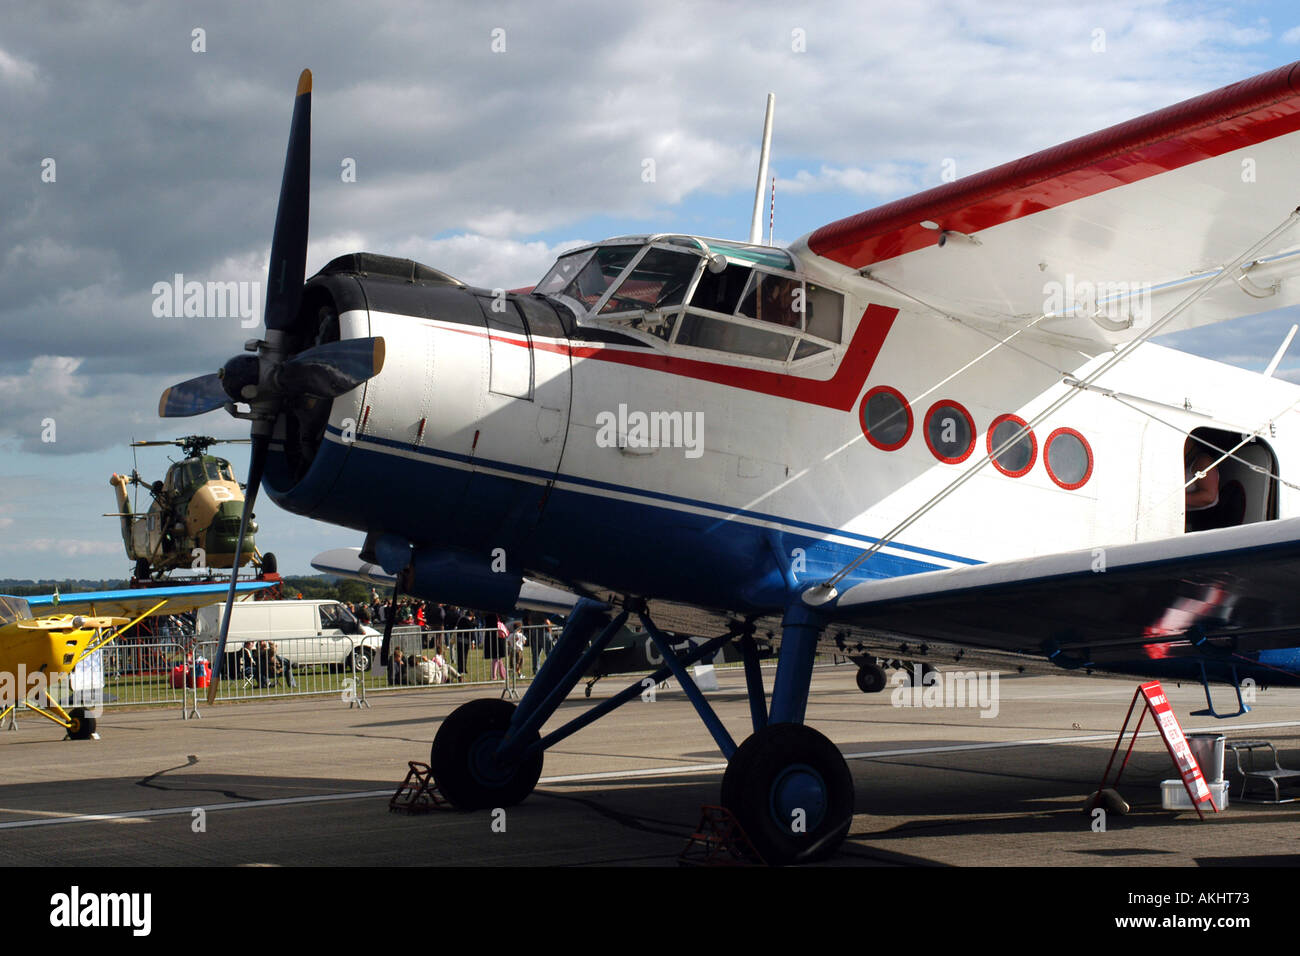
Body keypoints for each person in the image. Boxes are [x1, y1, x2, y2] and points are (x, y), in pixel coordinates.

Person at [1185, 438, 1221, 532]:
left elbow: (1208, 497)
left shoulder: (1203, 461)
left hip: (1202, 520)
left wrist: (1177, 499)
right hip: (1187, 516)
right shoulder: (1186, 459)